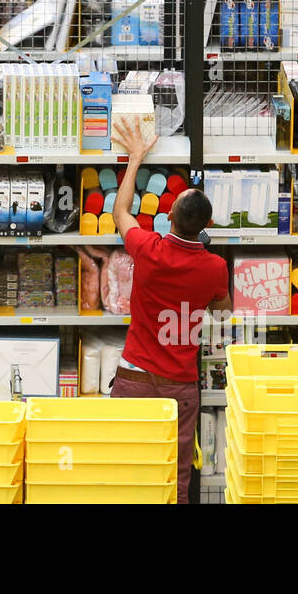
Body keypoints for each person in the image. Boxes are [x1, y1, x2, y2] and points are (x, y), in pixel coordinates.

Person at [109, 118, 230, 504]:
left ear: (169, 219)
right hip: (180, 383)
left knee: (124, 471)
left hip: (134, 375)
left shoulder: (149, 248)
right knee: (176, 476)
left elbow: (120, 211)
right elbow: (223, 313)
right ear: (207, 226)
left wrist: (135, 158)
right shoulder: (215, 268)